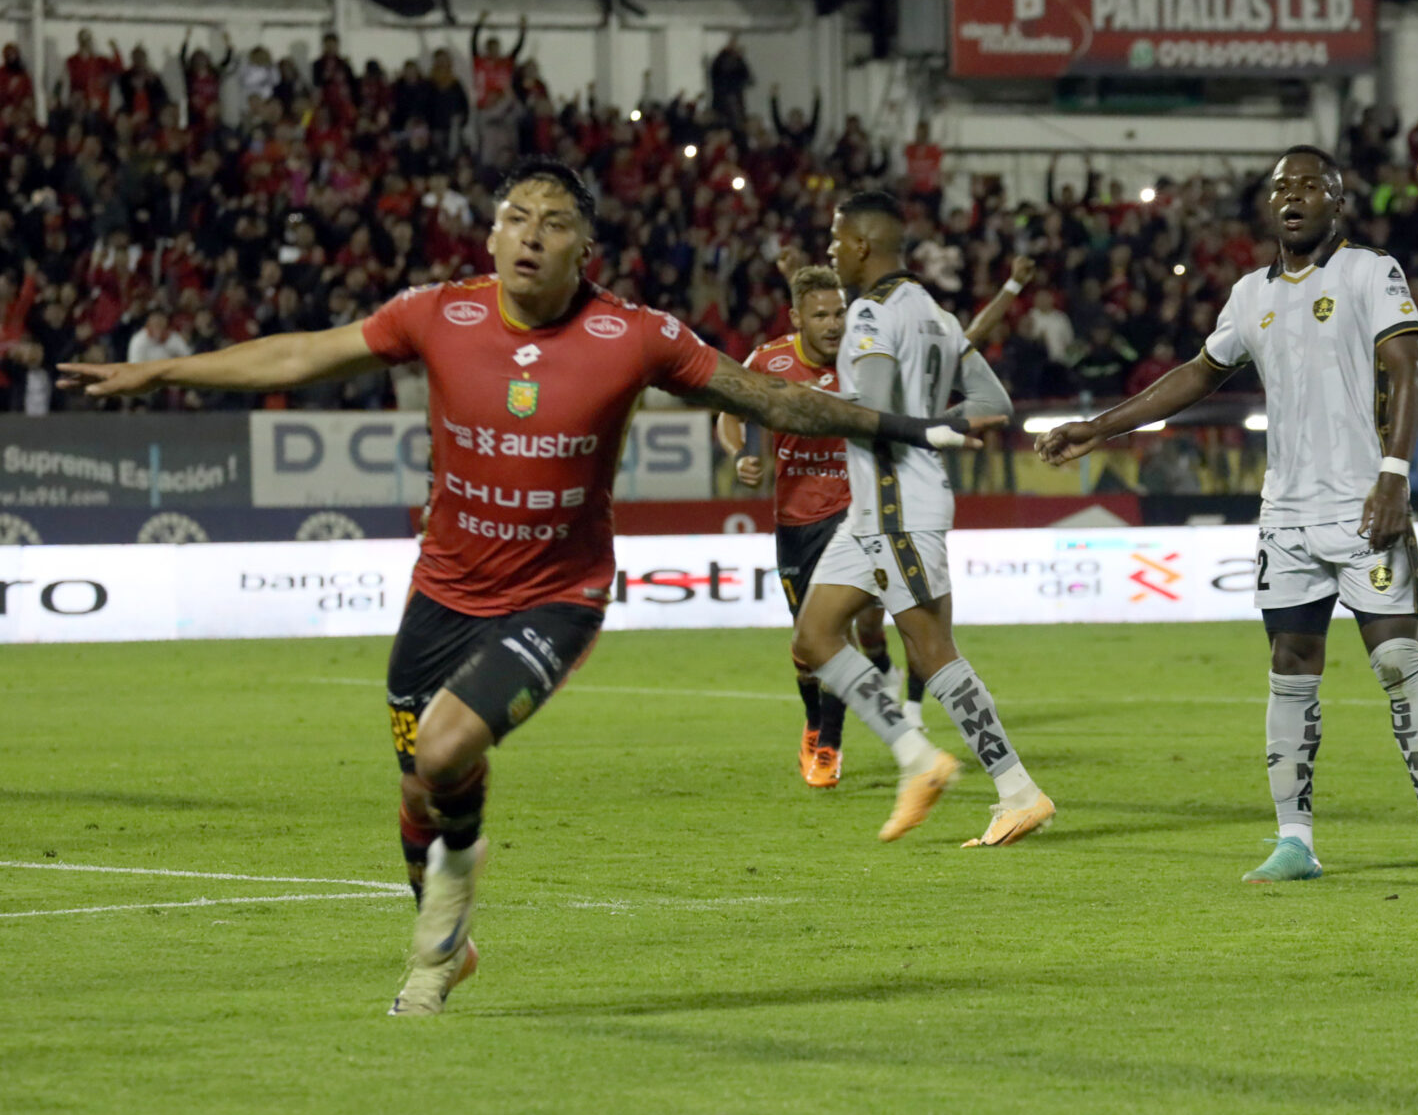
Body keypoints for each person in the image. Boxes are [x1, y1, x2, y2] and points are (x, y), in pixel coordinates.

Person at [57, 158, 995, 1015]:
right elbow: (302, 352)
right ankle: (448, 942)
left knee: (444, 746)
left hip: (557, 595)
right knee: (422, 789)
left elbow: (773, 398)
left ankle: (442, 924)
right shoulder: (437, 313)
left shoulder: (635, 336)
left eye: (553, 222)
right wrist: (162, 371)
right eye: (516, 217)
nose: (531, 234)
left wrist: (915, 429)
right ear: (493, 237)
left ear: (584, 249)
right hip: (442, 592)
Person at [1037, 145, 1418, 885]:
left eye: (1311, 185)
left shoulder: (1371, 271)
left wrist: (1394, 474)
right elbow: (1196, 375)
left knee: (1397, 659)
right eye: (1282, 188)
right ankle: (1294, 839)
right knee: (1290, 667)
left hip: (1366, 502)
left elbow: (1409, 371)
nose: (1293, 197)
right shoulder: (1249, 294)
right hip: (1287, 515)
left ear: (1338, 201)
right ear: (1269, 206)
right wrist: (1099, 425)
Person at [789, 191, 1054, 848]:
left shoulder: (873, 313)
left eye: (834, 236)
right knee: (814, 636)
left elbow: (874, 410)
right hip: (875, 509)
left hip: (897, 505)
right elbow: (994, 401)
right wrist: (942, 426)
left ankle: (1015, 790)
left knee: (933, 650)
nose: (829, 248)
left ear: (860, 245)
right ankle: (916, 755)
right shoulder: (935, 315)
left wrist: (810, 406)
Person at [716, 258, 904, 788]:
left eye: (838, 312)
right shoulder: (768, 361)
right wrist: (740, 455)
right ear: (796, 317)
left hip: (857, 514)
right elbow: (730, 414)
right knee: (806, 648)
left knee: (835, 633)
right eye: (819, 314)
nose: (832, 324)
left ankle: (830, 747)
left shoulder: (864, 359)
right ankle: (815, 721)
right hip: (796, 520)